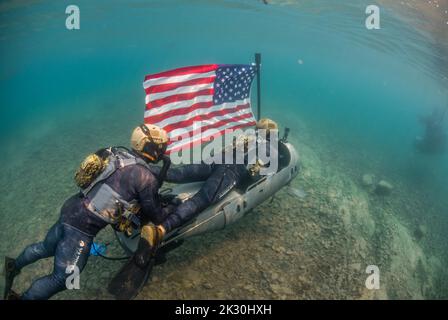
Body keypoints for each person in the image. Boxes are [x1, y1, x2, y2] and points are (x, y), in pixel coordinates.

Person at [3, 124, 171, 300]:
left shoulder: (117, 154)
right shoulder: (145, 177)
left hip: (71, 209)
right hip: (81, 229)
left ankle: (13, 266)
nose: (162, 149)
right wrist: (172, 206)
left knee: (46, 247)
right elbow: (157, 215)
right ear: (149, 147)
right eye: (160, 146)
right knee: (64, 278)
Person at [150, 118, 279, 234]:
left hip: (216, 159)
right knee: (201, 199)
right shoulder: (269, 148)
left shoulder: (246, 135)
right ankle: (162, 229)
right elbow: (257, 173)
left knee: (178, 173)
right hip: (231, 170)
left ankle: (141, 166)